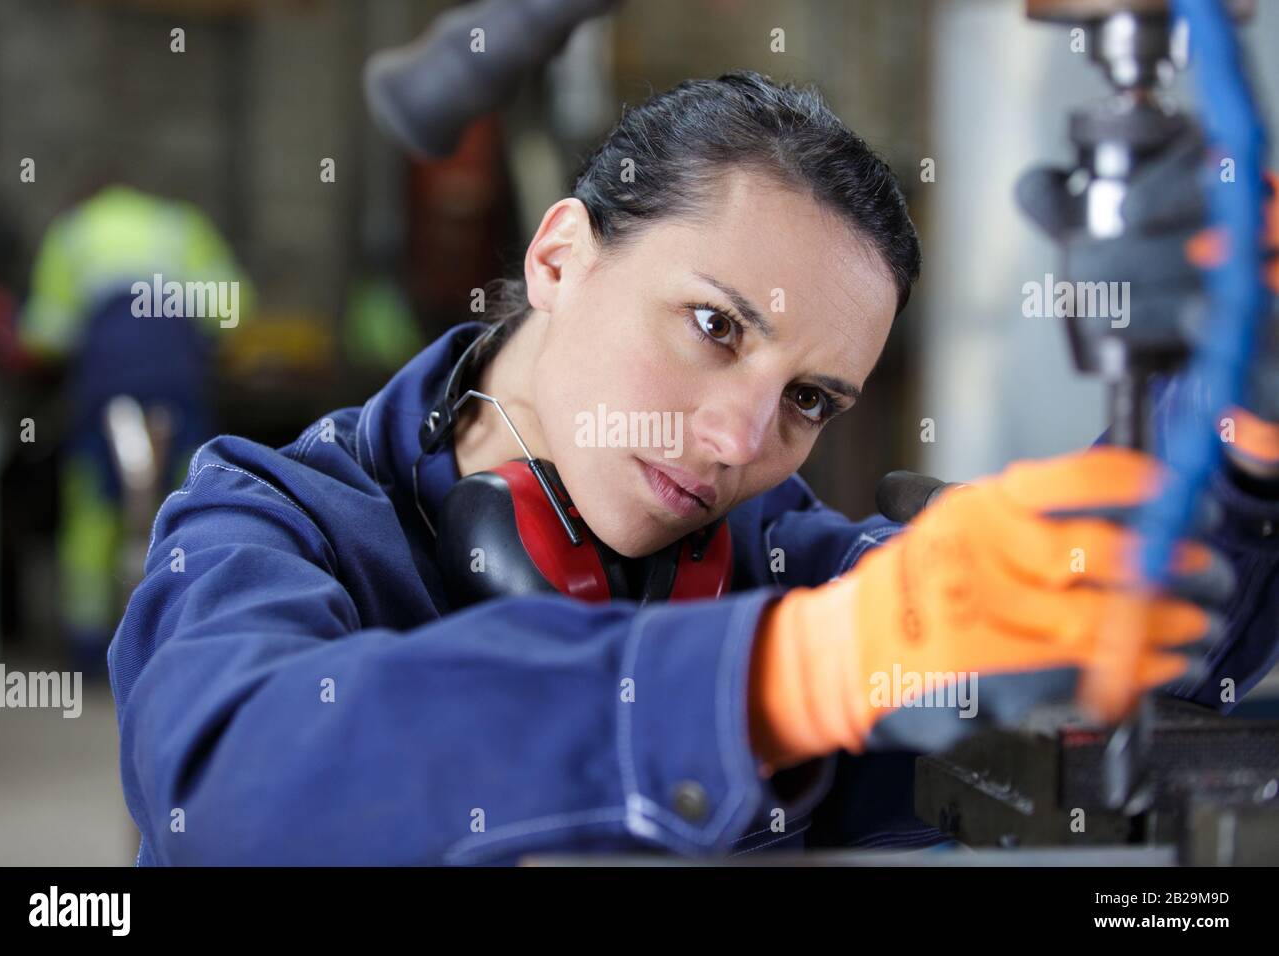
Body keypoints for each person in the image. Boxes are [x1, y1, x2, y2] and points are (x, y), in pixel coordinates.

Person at [109, 72, 1279, 864]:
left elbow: (1145, 631)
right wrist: (781, 677)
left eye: (808, 400)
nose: (737, 443)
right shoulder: (267, 521)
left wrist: (1242, 425)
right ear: (561, 257)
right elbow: (228, 785)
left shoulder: (779, 557)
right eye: (716, 327)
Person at [20, 183, 251, 673]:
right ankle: (187, 631)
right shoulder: (179, 225)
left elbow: (46, 335)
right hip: (176, 379)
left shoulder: (73, 233)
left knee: (95, 508)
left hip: (105, 383)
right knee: (190, 500)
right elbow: (234, 311)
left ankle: (90, 646)